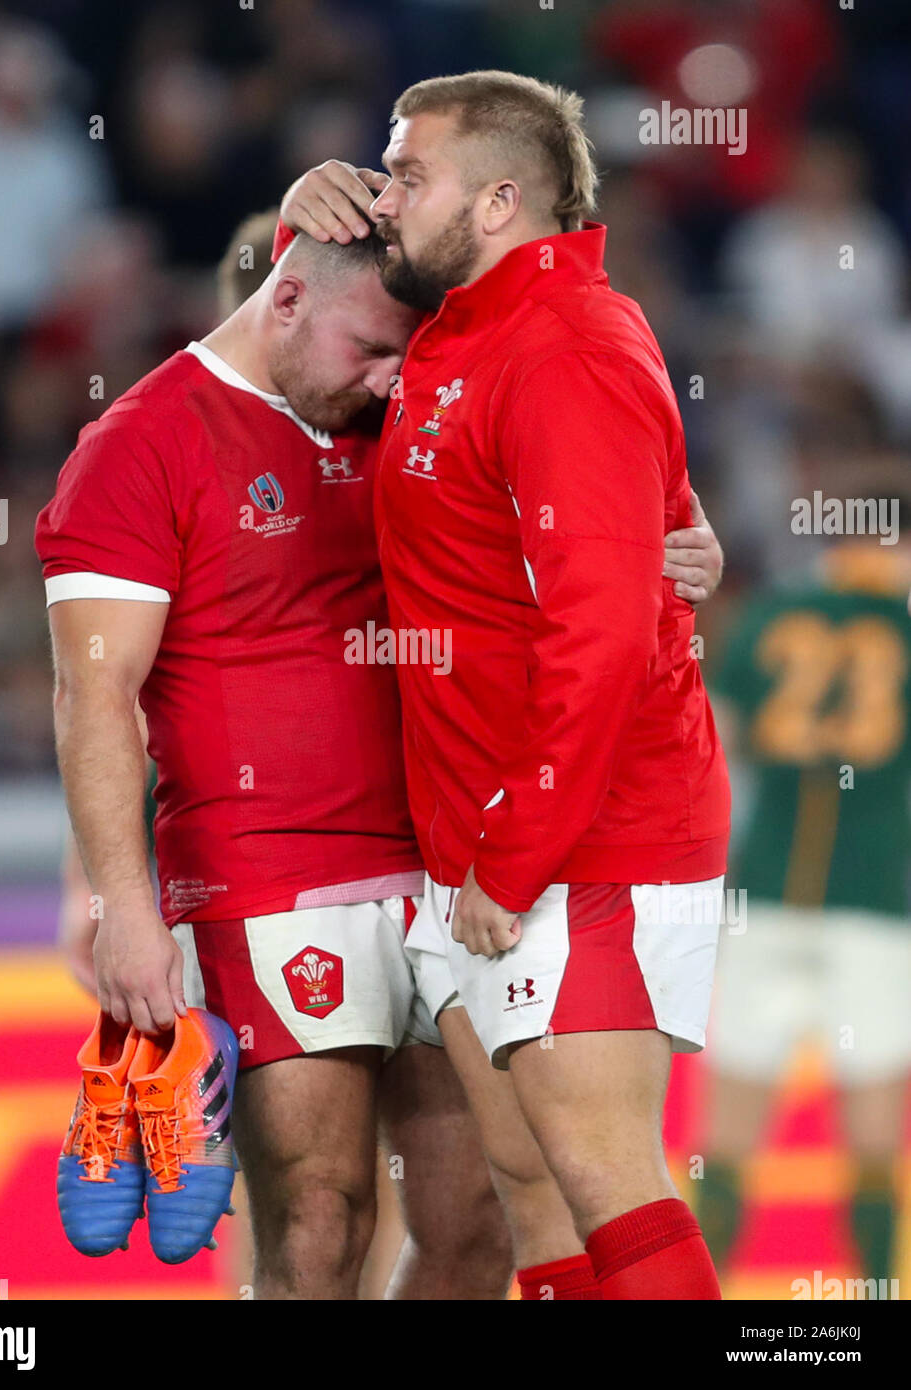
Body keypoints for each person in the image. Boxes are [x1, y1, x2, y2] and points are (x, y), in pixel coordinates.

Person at [38, 183, 724, 1299]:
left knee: (486, 1217)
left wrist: (691, 550)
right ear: (288, 296)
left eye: (399, 358)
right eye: (366, 350)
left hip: (453, 861)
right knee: (317, 1221)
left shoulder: (412, 411)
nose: (384, 379)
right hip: (272, 870)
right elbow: (93, 698)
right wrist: (119, 905)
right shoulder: (137, 446)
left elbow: (582, 520)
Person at [283, 70, 731, 1299]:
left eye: (407, 174)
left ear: (494, 202)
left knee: (603, 1178)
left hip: (582, 840)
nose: (384, 195)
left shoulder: (564, 345)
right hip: (475, 842)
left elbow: (598, 636)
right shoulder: (461, 332)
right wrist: (294, 213)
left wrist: (513, 856)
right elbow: (298, 348)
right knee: (532, 1190)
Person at [703, 510, 911, 1290]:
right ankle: (876, 1302)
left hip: (764, 891)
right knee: (872, 1143)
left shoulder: (769, 616)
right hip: (873, 897)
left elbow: (715, 744)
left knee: (725, 1136)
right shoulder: (901, 625)